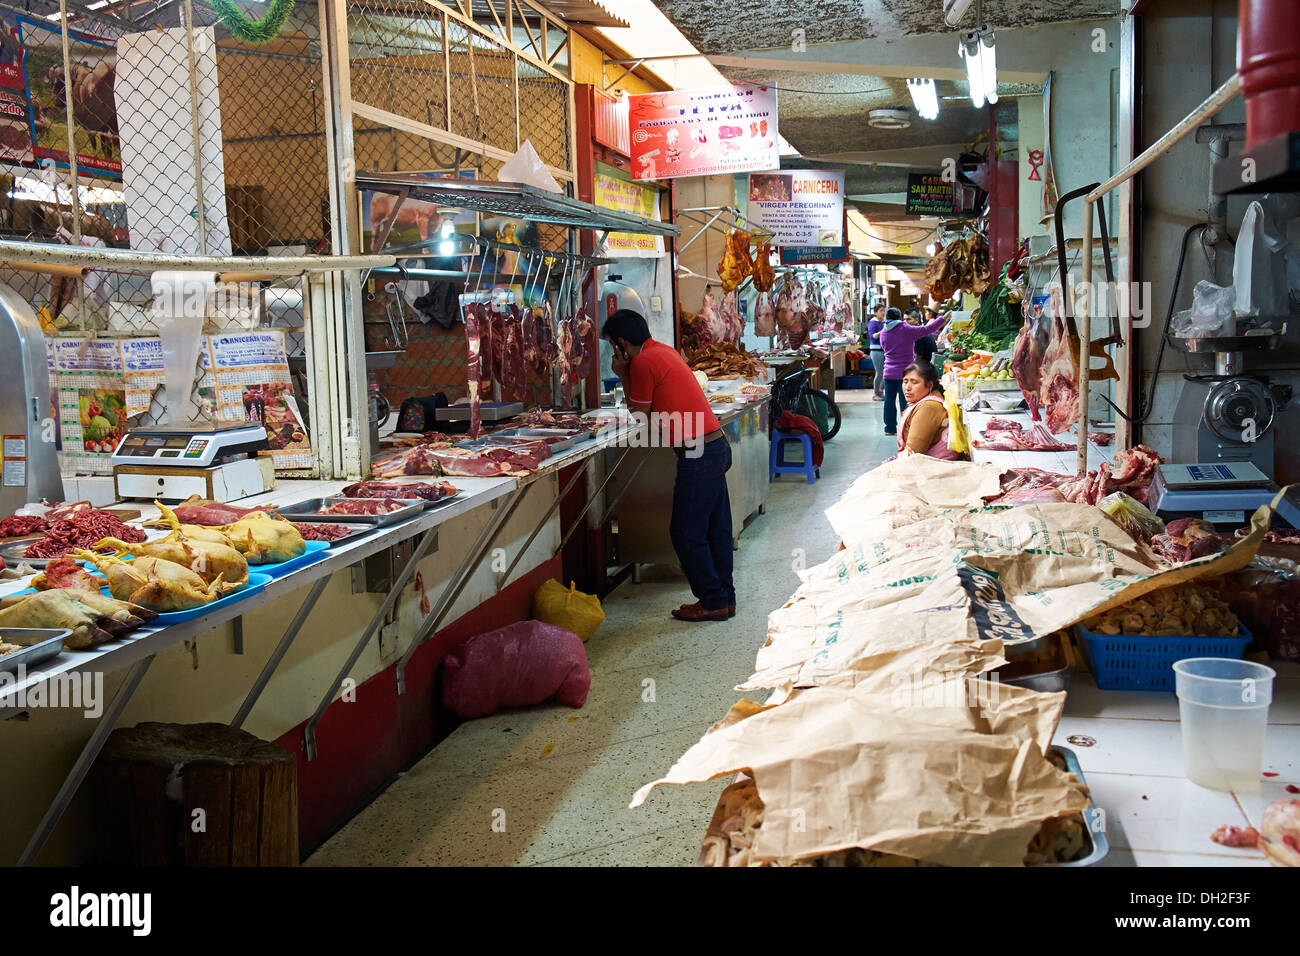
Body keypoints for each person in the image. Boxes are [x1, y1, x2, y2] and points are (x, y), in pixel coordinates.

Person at [604, 308, 735, 623]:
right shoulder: (662, 351)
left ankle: (713, 600)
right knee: (715, 530)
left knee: (686, 532)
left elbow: (638, 412)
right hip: (715, 446)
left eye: (612, 345)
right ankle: (723, 599)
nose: (612, 351)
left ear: (621, 343)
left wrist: (622, 372)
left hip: (698, 453)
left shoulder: (644, 361)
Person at [879, 306, 948, 435]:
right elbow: (927, 329)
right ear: (899, 317)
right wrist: (942, 319)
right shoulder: (905, 329)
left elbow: (885, 349)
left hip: (888, 371)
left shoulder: (883, 332)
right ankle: (906, 427)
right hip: (905, 373)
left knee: (889, 400)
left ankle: (889, 428)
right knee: (907, 400)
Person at [895, 361, 964, 460]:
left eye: (914, 382)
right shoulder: (929, 400)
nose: (907, 388)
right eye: (905, 381)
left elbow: (913, 453)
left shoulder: (928, 407)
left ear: (930, 385)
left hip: (932, 466)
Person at [866, 301, 886, 401]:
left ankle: (880, 392)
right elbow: (873, 336)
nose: (883, 313)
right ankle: (876, 393)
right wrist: (883, 331)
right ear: (875, 312)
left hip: (883, 350)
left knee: (883, 372)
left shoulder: (882, 323)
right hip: (876, 350)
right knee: (879, 372)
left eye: (884, 310)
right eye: (881, 311)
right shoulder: (873, 323)